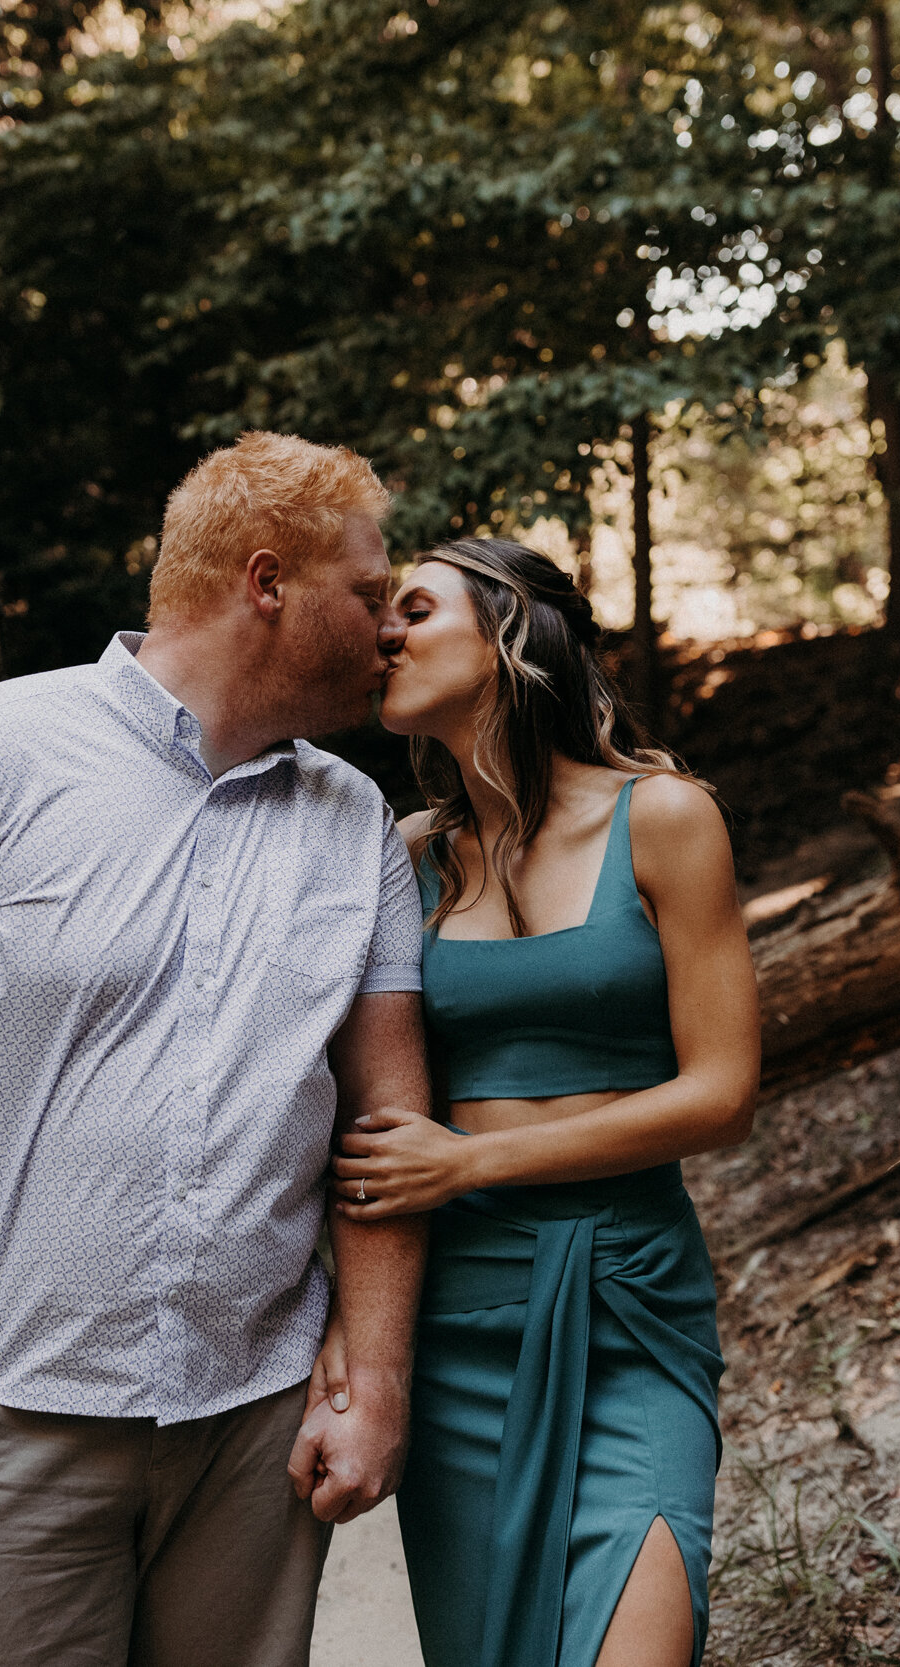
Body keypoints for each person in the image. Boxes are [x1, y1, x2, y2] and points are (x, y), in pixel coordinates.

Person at [0, 432, 433, 1667]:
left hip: (254, 1434)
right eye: (365, 594)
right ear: (265, 582)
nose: (387, 630)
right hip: (4, 1422)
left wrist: (377, 1371)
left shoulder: (351, 822)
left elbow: (386, 1114)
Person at [331, 538, 764, 1667]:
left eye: (415, 608)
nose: (386, 632)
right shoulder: (403, 857)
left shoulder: (665, 816)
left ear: (512, 632)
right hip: (457, 1318)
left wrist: (469, 1161)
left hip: (629, 1300)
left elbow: (722, 1095)